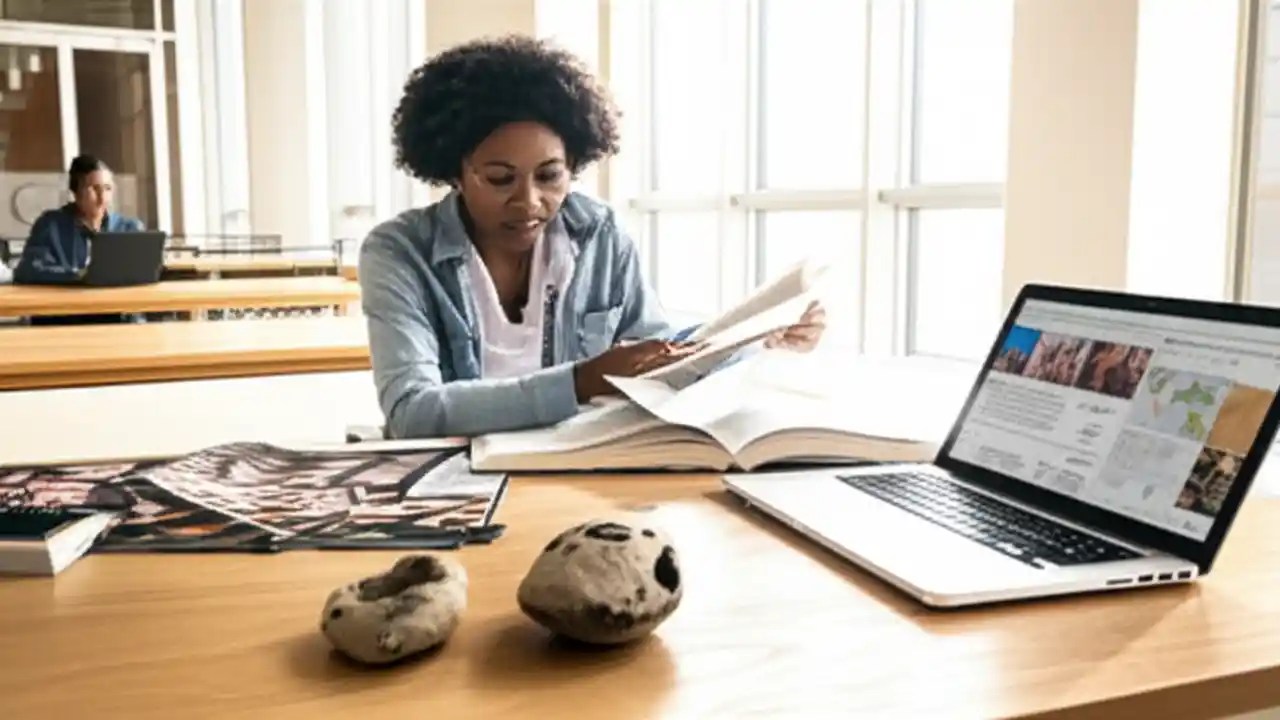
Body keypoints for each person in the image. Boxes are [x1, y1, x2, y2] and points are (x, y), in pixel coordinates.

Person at [360, 35, 825, 440]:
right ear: (455, 172)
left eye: (550, 176)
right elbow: (412, 412)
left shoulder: (598, 233)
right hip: (457, 485)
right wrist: (580, 382)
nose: (529, 201)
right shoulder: (400, 253)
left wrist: (757, 336)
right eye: (500, 179)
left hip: (578, 468)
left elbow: (658, 353)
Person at [13, 155, 146, 324]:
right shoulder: (50, 225)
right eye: (94, 188)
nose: (102, 197)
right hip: (65, 317)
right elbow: (27, 271)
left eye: (107, 188)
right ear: (76, 192)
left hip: (117, 315)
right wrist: (77, 276)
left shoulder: (130, 228)